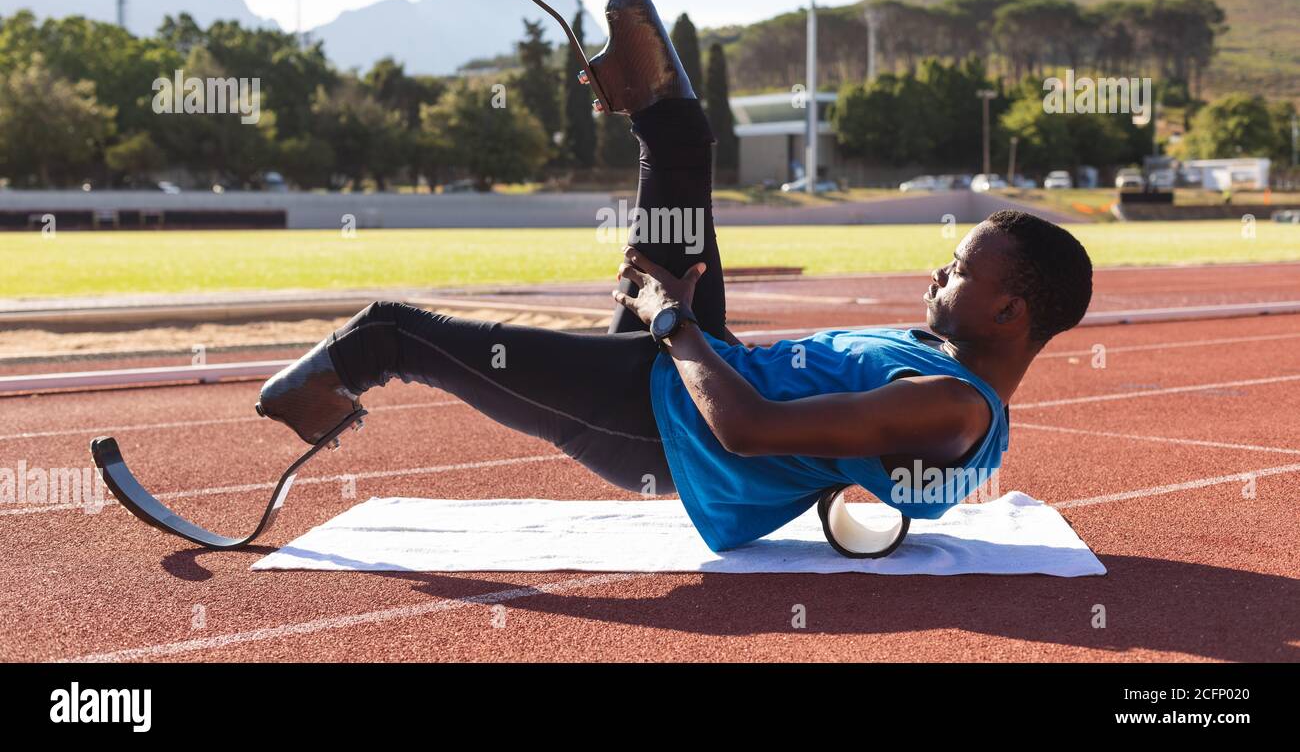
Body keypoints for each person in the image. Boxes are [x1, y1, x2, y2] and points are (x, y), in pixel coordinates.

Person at [256, 53, 1093, 556]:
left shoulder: (950, 409)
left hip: (660, 425)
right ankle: (644, 78)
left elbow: (752, 433)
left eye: (955, 272)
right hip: (695, 363)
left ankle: (308, 395)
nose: (935, 275)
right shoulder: (947, 379)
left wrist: (671, 319)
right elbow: (851, 456)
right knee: (681, 142)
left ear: (1010, 313)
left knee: (395, 333)